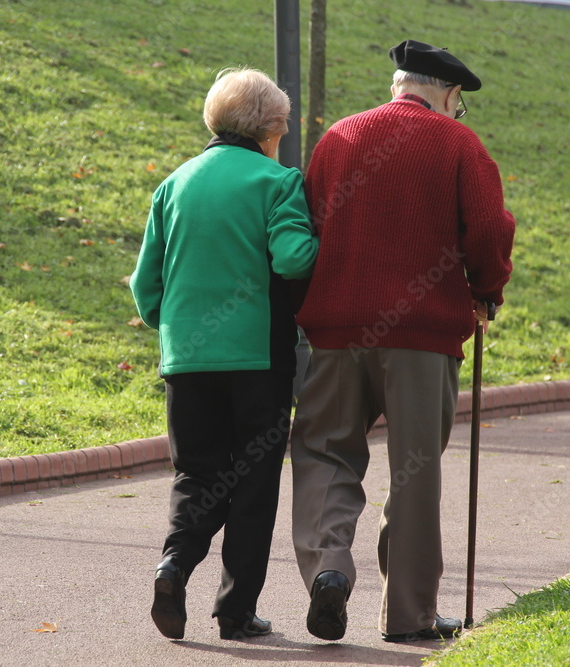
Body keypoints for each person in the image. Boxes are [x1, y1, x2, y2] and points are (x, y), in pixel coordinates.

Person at [290, 40, 516, 643]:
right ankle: (408, 615)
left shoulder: (338, 137)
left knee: (325, 453)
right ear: (449, 94)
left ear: (397, 86)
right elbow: (489, 229)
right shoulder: (459, 144)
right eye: (458, 103)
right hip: (422, 337)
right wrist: (486, 289)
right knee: (414, 470)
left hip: (338, 331)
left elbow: (308, 225)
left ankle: (330, 569)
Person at [130, 67, 318, 641]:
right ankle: (236, 612)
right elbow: (292, 258)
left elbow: (145, 287)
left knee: (196, 474)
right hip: (258, 360)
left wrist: (177, 327)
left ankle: (173, 565)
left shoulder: (173, 184)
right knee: (254, 484)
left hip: (187, 360)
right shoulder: (278, 182)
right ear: (271, 127)